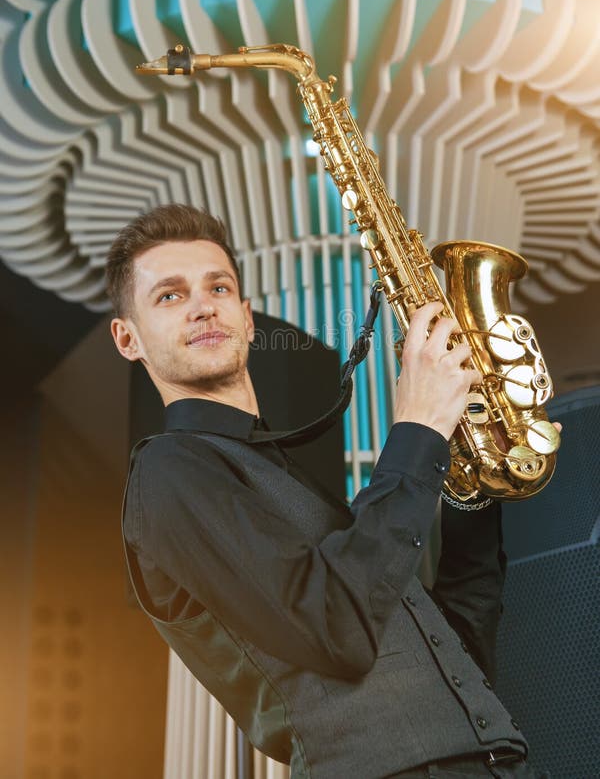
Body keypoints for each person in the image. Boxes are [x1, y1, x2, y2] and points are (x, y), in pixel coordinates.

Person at [108, 203, 547, 778]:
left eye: (219, 287)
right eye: (170, 295)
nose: (203, 306)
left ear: (247, 317)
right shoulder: (167, 472)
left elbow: (461, 646)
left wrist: (470, 472)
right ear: (127, 338)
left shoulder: (288, 478)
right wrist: (418, 430)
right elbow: (335, 628)